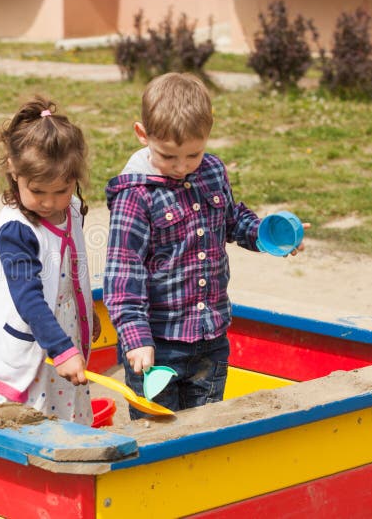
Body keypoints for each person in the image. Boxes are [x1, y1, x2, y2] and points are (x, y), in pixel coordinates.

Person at [104, 72, 308, 417]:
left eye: (192, 155)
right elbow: (124, 275)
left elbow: (231, 221)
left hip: (210, 339)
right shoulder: (135, 196)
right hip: (156, 345)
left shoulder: (212, 170)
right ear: (143, 134)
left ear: (208, 132)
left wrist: (266, 234)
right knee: (157, 439)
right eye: (168, 156)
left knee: (205, 429)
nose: (181, 167)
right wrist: (136, 338)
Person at [0, 97, 101, 425]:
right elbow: (28, 298)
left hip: (62, 333)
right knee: (27, 423)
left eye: (62, 189)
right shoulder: (17, 228)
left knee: (64, 421)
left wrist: (86, 313)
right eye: (38, 191)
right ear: (14, 172)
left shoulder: (70, 209)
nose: (49, 202)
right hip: (29, 347)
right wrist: (62, 347)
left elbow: (70, 273)